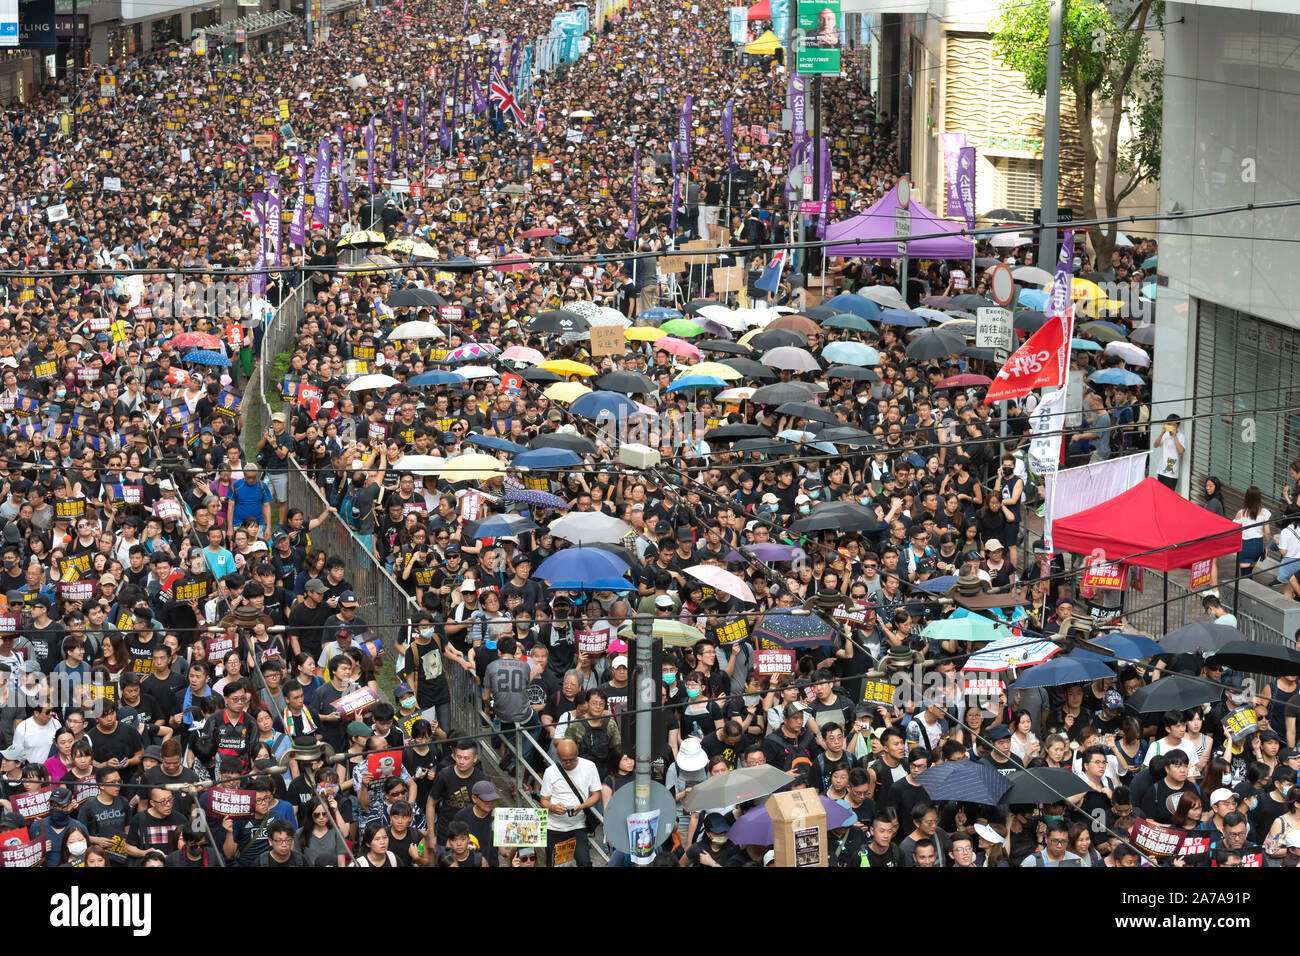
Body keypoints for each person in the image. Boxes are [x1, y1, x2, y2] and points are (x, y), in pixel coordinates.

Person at [540, 738, 601, 867]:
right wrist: (552, 807)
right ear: (558, 757)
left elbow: (596, 795)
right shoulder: (550, 772)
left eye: (572, 760)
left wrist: (582, 806)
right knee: (553, 864)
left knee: (584, 862)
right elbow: (544, 800)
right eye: (564, 761)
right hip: (554, 827)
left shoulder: (589, 767)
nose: (568, 764)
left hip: (577, 826)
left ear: (577, 754)